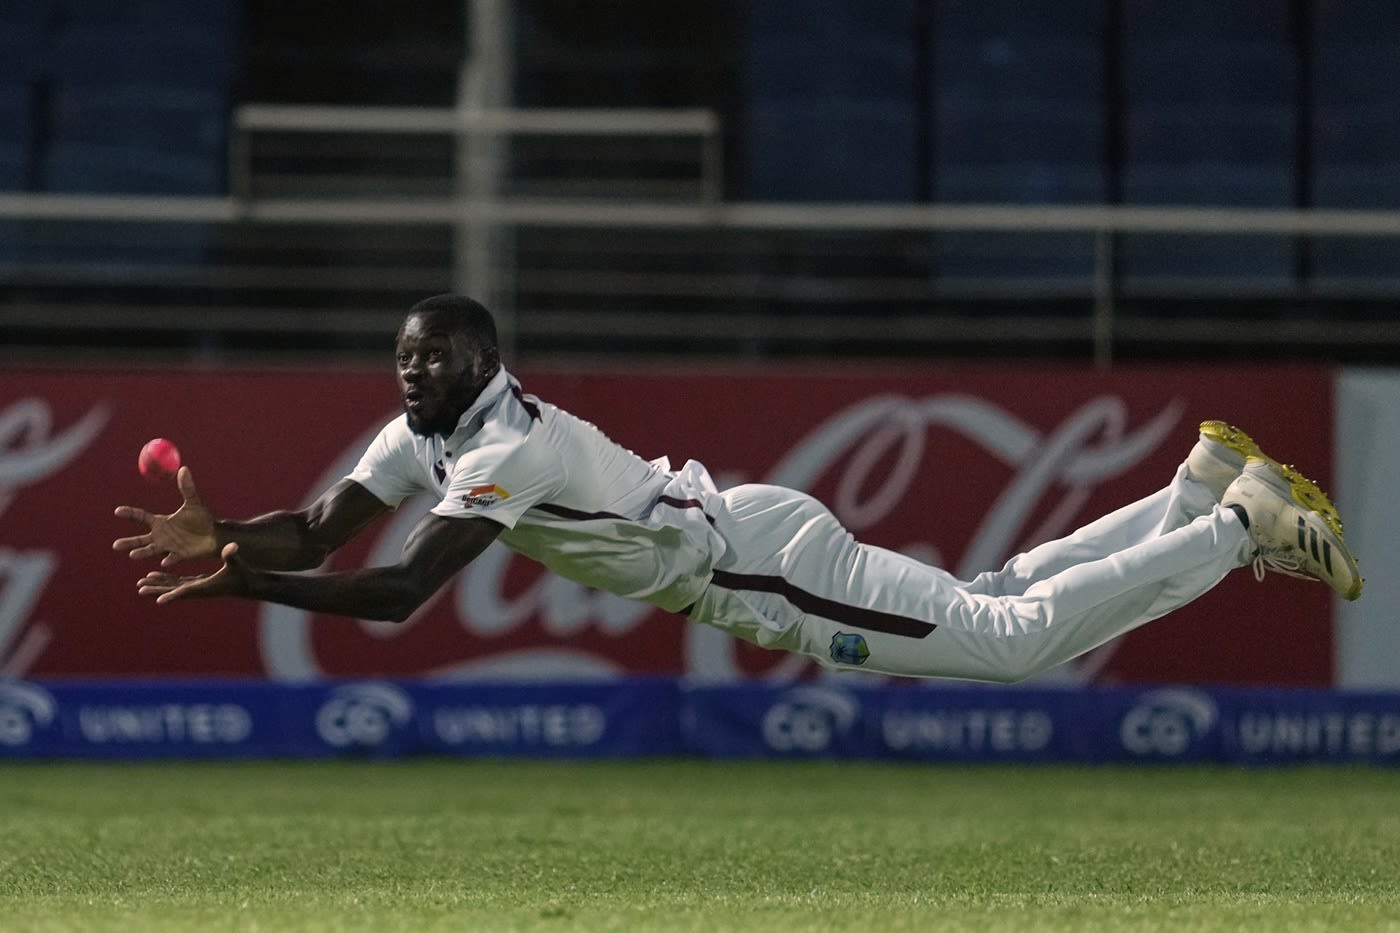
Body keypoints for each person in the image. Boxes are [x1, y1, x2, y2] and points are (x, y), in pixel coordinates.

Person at [113, 295, 1363, 684]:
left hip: (755, 568)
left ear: (485, 364)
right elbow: (329, 527)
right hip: (749, 539)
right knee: (988, 603)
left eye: (429, 358)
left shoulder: (502, 448)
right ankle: (1189, 492)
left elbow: (392, 596)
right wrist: (227, 533)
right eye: (401, 359)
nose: (410, 374)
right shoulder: (429, 432)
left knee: (1013, 648)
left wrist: (239, 589)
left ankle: (1232, 525)